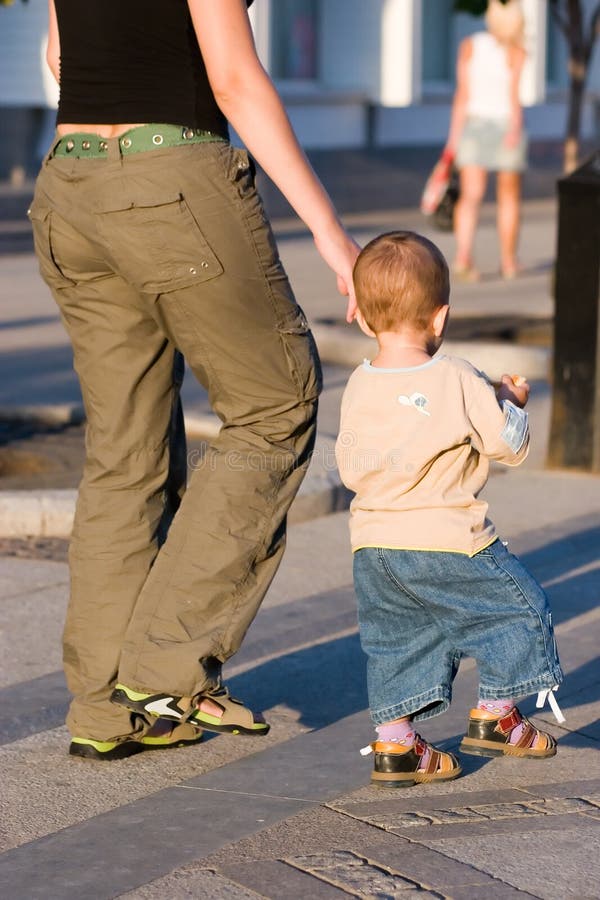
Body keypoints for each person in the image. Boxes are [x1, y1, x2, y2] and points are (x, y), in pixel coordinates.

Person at [33, 0, 360, 760]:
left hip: (71, 186)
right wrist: (329, 229)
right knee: (275, 402)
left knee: (124, 450)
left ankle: (104, 708)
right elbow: (235, 80)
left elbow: (57, 53)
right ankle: (167, 667)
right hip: (169, 176)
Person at [335, 231, 563, 787]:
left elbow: (348, 468)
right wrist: (511, 404)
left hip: (374, 547)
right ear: (440, 320)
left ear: (364, 319)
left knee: (396, 640)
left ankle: (397, 746)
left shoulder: (359, 383)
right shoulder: (458, 375)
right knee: (518, 611)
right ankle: (497, 715)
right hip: (450, 538)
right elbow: (507, 445)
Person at [443, 0, 527, 281]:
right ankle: (508, 261)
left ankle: (464, 258)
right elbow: (514, 98)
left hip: (474, 125)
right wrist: (516, 130)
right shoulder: (516, 51)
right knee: (509, 198)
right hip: (506, 126)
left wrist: (452, 141)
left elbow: (462, 95)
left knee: (470, 197)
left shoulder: (469, 45)